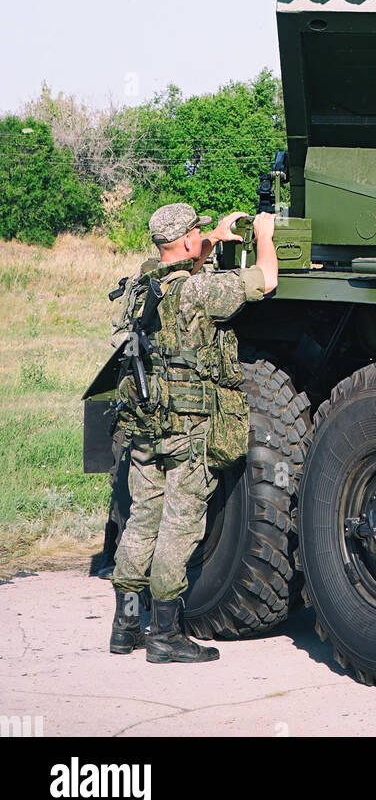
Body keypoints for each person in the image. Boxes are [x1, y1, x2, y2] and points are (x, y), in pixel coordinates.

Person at [109, 201, 278, 663]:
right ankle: (165, 635)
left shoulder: (139, 291)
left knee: (143, 520)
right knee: (180, 526)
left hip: (145, 424)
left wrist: (213, 240)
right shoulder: (200, 293)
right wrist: (264, 234)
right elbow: (266, 279)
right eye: (197, 234)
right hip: (188, 427)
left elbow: (177, 281)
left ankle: (125, 626)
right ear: (185, 240)